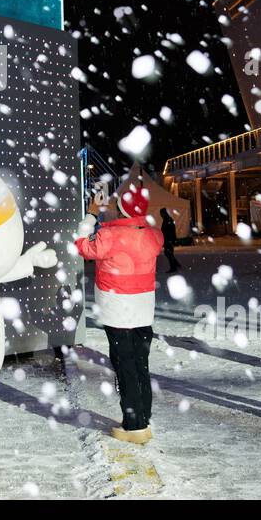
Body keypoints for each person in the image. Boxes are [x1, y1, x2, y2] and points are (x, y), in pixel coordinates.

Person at [75, 182, 164, 444]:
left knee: (124, 365)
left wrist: (92, 214)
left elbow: (82, 246)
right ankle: (143, 417)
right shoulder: (154, 235)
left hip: (117, 308)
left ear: (121, 207)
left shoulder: (109, 237)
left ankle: (133, 424)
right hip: (143, 308)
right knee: (140, 364)